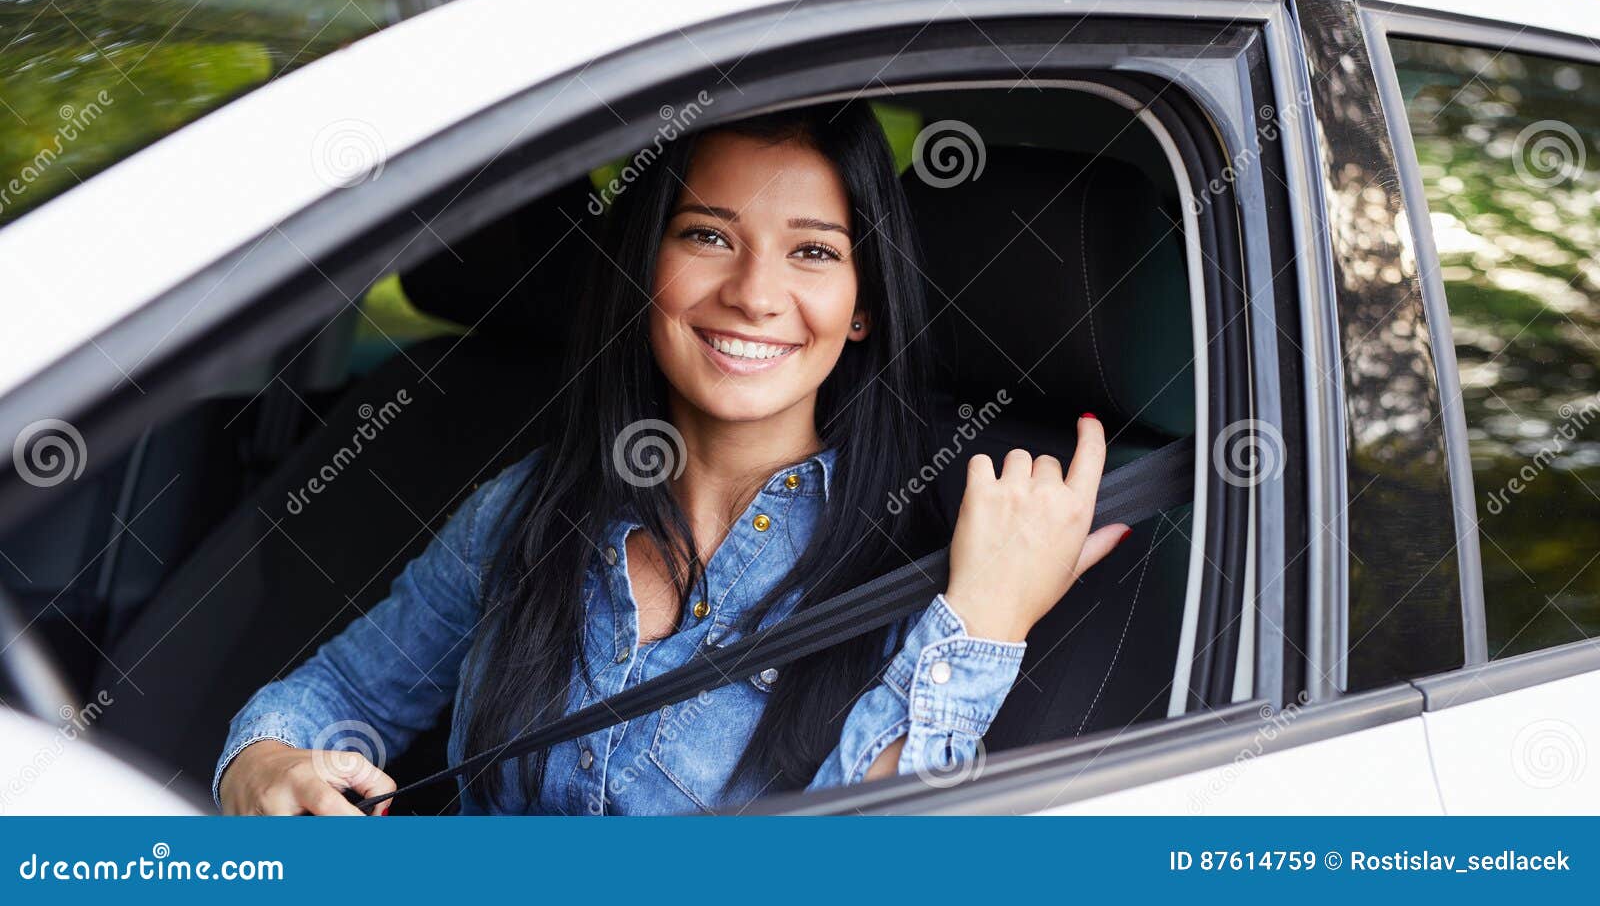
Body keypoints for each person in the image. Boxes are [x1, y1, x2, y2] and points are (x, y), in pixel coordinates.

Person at [214, 101, 1128, 815]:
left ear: (863, 305)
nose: (755, 293)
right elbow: (337, 690)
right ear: (645, 270)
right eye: (709, 235)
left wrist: (985, 620)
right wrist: (263, 763)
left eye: (812, 250)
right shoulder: (528, 507)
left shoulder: (933, 551)